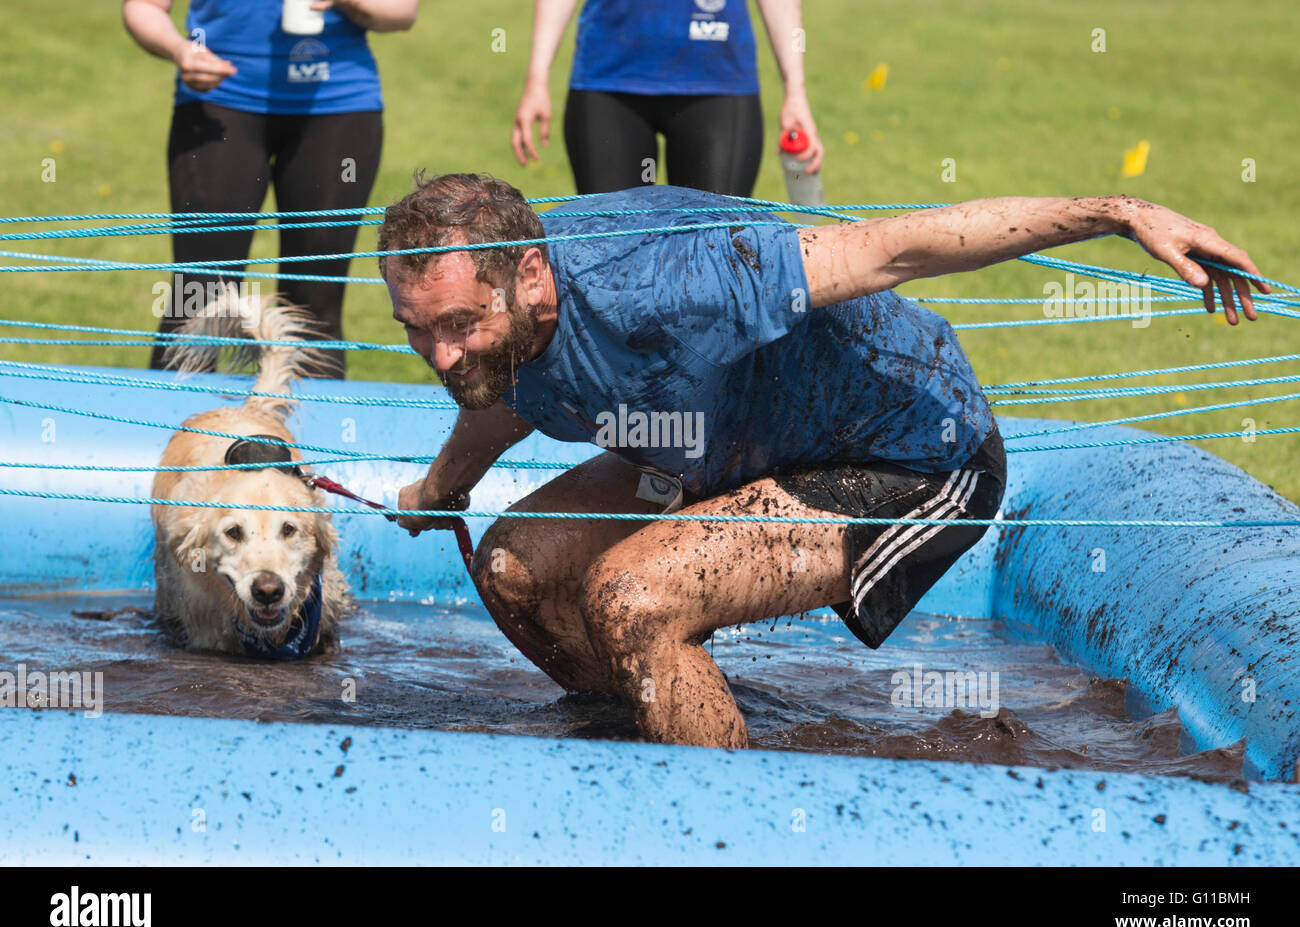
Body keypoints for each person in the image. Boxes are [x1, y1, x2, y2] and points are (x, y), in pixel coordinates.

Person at [378, 172, 1267, 749]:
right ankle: (662, 742)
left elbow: (897, 247)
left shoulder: (677, 279)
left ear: (533, 275)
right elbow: (503, 395)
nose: (444, 356)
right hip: (726, 447)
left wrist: (1118, 212)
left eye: (460, 326)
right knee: (513, 567)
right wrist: (440, 489)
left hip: (903, 453)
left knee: (632, 596)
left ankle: (725, 830)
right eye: (418, 331)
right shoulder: (503, 319)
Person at [122, 0, 419, 377]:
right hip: (220, 100)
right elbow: (144, 7)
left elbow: (402, 12)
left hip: (338, 105)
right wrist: (180, 49)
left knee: (314, 302)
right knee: (197, 295)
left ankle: (306, 436)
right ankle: (173, 430)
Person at [511, 0, 824, 196]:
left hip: (718, 83)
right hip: (608, 82)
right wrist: (537, 79)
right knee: (611, 253)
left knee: (713, 253)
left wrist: (795, 91)